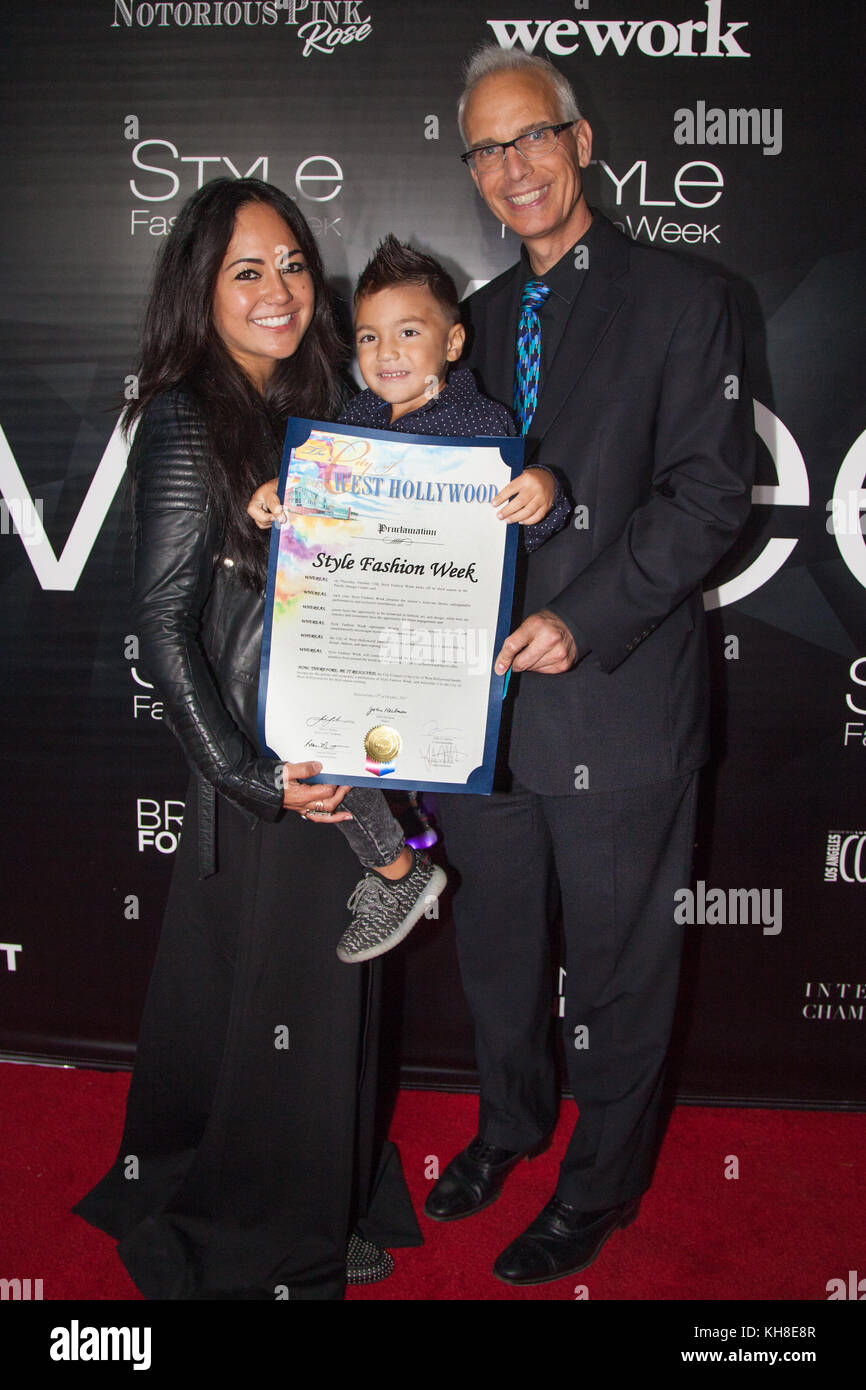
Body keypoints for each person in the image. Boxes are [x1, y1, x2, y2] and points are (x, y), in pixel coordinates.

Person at [420, 47, 756, 1285]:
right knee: (498, 954)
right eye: (486, 150)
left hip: (612, 700)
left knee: (616, 974)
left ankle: (598, 1189)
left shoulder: (687, 296)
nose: (512, 167)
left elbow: (709, 493)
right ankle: (507, 1127)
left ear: (580, 141)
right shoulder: (479, 317)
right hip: (481, 708)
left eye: (531, 139)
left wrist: (585, 614)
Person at [73, 178, 420, 1300]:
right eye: (245, 271)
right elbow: (162, 624)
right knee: (294, 1002)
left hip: (325, 744)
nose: (277, 290)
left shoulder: (305, 402)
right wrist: (253, 779)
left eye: (289, 264)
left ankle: (304, 1184)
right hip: (275, 765)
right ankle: (273, 1228)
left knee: (291, 995)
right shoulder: (187, 416)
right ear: (201, 290)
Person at [249, 233, 572, 964]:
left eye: (409, 331)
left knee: (408, 758)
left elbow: (534, 530)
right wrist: (279, 496)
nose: (386, 351)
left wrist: (544, 493)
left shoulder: (484, 428)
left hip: (438, 649)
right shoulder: (348, 423)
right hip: (354, 638)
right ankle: (395, 866)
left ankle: (398, 869)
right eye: (369, 336)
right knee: (311, 742)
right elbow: (311, 516)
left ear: (453, 341)